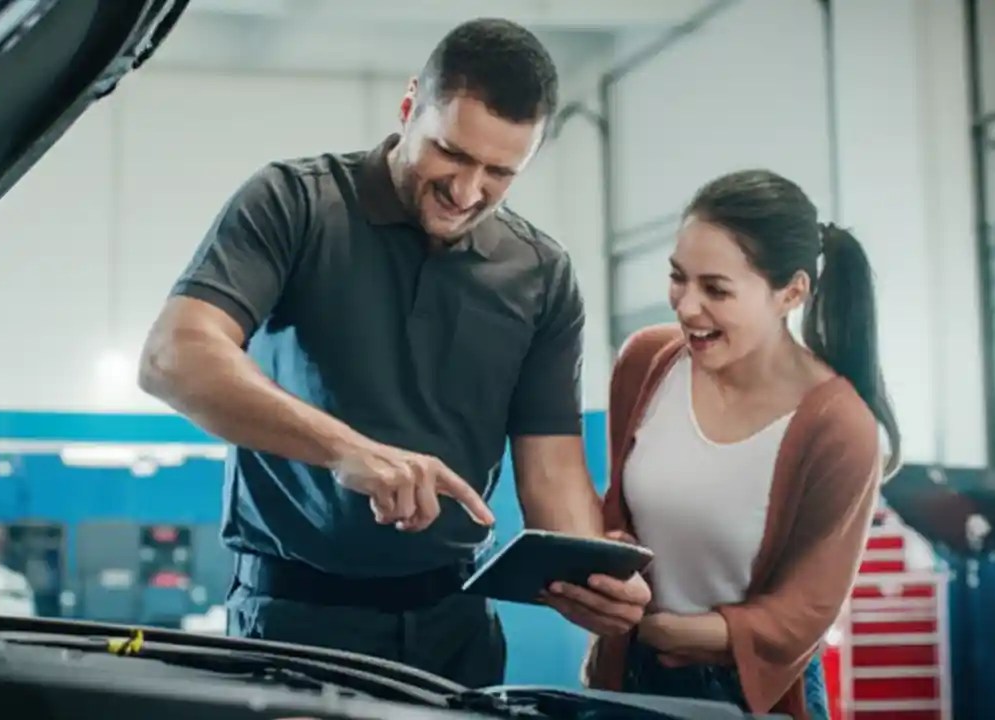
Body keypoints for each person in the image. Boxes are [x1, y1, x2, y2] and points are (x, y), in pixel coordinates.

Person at [138, 17, 650, 687]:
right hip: (292, 626)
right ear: (410, 106)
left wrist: (592, 576)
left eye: (500, 172)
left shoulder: (541, 274)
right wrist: (348, 449)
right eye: (451, 153)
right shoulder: (295, 204)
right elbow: (174, 357)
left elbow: (552, 471)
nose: (468, 191)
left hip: (456, 633)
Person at [582, 169, 901, 719]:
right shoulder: (646, 364)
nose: (685, 306)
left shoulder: (839, 426)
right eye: (678, 278)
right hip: (623, 674)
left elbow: (809, 608)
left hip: (750, 694)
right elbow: (620, 513)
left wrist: (682, 632)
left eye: (716, 289)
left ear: (791, 292)